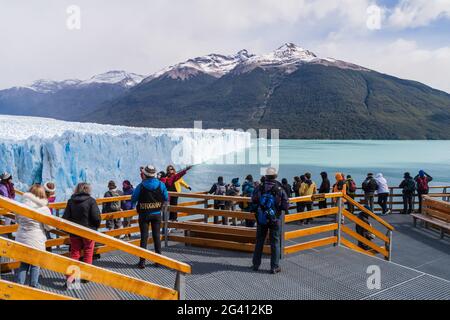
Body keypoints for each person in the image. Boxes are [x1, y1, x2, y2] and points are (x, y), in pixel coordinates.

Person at [251, 167, 289, 274]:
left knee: (259, 241)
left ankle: (255, 264)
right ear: (275, 176)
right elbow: (286, 206)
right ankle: (274, 267)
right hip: (274, 219)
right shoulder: (279, 189)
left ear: (266, 176)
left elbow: (253, 200)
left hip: (261, 218)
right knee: (275, 242)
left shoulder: (259, 187)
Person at [15, 184, 53, 288]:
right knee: (35, 264)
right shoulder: (44, 208)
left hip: (21, 238)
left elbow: (17, 220)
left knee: (23, 263)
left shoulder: (21, 205)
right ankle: (33, 288)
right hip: (36, 239)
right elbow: (49, 227)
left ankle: (19, 287)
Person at [132, 165, 168, 269]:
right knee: (156, 236)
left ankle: (142, 262)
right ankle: (158, 261)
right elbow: (166, 197)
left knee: (144, 237)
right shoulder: (161, 184)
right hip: (157, 213)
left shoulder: (141, 186)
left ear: (145, 175)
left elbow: (133, 198)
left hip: (144, 214)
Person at [63, 183, 101, 273]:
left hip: (74, 232)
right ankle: (85, 276)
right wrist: (95, 227)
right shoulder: (91, 201)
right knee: (88, 252)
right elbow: (96, 217)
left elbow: (65, 217)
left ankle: (71, 276)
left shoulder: (71, 201)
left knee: (75, 253)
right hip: (88, 231)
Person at [0, 172, 16, 239]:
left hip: (8, 204)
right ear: (7, 179)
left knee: (13, 217)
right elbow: (5, 197)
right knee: (9, 217)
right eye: (10, 178)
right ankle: (8, 233)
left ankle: (9, 232)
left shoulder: (8, 185)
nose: (11, 179)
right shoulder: (2, 187)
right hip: (4, 205)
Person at [43, 181, 57, 252]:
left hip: (43, 218)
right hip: (46, 218)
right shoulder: (48, 199)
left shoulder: (42, 197)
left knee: (46, 235)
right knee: (46, 235)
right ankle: (48, 251)